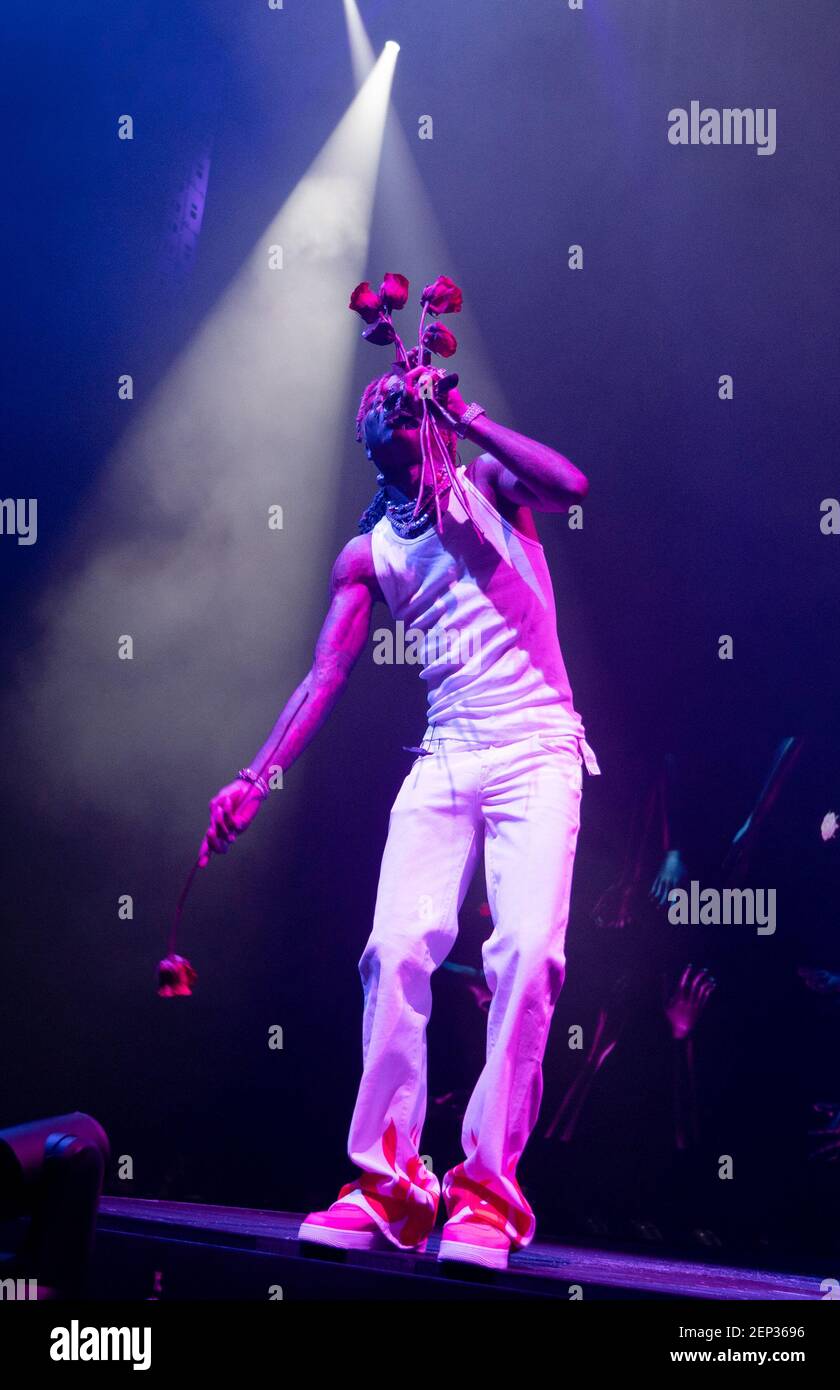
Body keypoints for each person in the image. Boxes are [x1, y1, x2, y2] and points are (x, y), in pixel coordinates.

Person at [200, 293, 597, 1270]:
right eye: (373, 396)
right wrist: (256, 775)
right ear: (364, 435)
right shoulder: (365, 553)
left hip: (538, 744)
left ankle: (488, 1196)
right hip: (446, 751)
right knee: (393, 947)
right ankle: (391, 1184)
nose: (386, 397)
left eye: (398, 390)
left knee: (527, 960)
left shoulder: (491, 482)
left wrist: (465, 419)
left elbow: (575, 483)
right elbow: (322, 676)